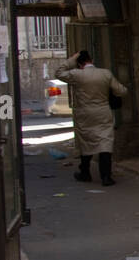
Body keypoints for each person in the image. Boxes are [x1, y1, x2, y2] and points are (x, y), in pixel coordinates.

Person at [55, 49, 128, 186]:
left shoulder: (77, 75)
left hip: (84, 114)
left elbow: (58, 73)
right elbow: (121, 91)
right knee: (105, 142)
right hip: (102, 112)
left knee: (86, 142)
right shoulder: (105, 74)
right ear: (91, 60)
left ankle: (85, 172)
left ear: (79, 63)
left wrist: (71, 59)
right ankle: (106, 176)